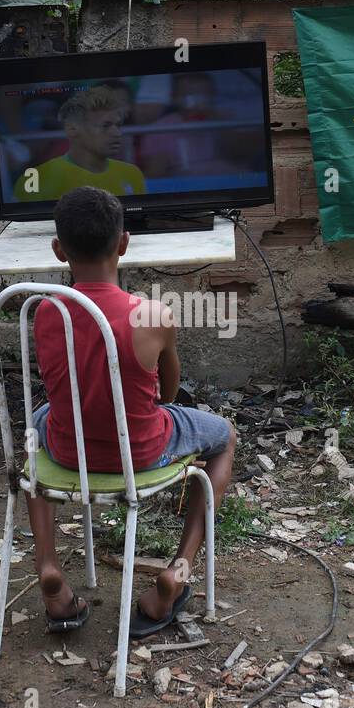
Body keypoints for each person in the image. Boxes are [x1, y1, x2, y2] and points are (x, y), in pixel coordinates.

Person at [27, 186, 237, 635]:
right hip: (140, 450)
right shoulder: (153, 315)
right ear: (123, 244)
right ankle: (178, 570)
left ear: (59, 250)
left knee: (34, 428)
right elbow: (167, 395)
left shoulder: (45, 310)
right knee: (224, 436)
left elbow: (59, 381)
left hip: (69, 452)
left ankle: (48, 563)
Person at [13, 84, 146, 202]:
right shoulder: (37, 179)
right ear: (72, 129)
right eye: (105, 125)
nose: (117, 133)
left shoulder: (132, 174)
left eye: (118, 125)